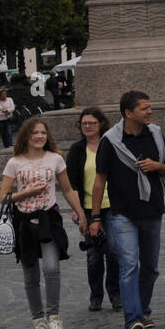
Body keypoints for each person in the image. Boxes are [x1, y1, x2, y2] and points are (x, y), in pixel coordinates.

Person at [88, 90, 165, 329]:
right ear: (128, 113)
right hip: (122, 213)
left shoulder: (155, 135)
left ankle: (143, 310)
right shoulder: (110, 141)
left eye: (150, 107)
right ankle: (133, 319)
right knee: (129, 266)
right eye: (145, 108)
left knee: (150, 268)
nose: (150, 111)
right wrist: (94, 218)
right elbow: (99, 180)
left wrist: (156, 166)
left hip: (152, 211)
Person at [0, 117, 83, 329]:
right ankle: (39, 322)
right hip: (24, 222)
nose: (39, 136)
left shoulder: (55, 158)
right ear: (26, 136)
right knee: (31, 273)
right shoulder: (14, 163)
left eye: (43, 133)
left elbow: (67, 189)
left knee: (51, 267)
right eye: (35, 133)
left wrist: (81, 214)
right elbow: (4, 197)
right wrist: (26, 193)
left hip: (48, 219)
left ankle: (54, 318)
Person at [66, 108, 121, 312]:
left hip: (112, 206)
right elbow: (71, 184)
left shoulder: (111, 146)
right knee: (94, 255)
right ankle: (96, 295)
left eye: (92, 123)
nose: (87, 126)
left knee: (114, 251)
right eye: (84, 124)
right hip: (88, 208)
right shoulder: (77, 150)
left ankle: (115, 294)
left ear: (101, 124)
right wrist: (76, 209)